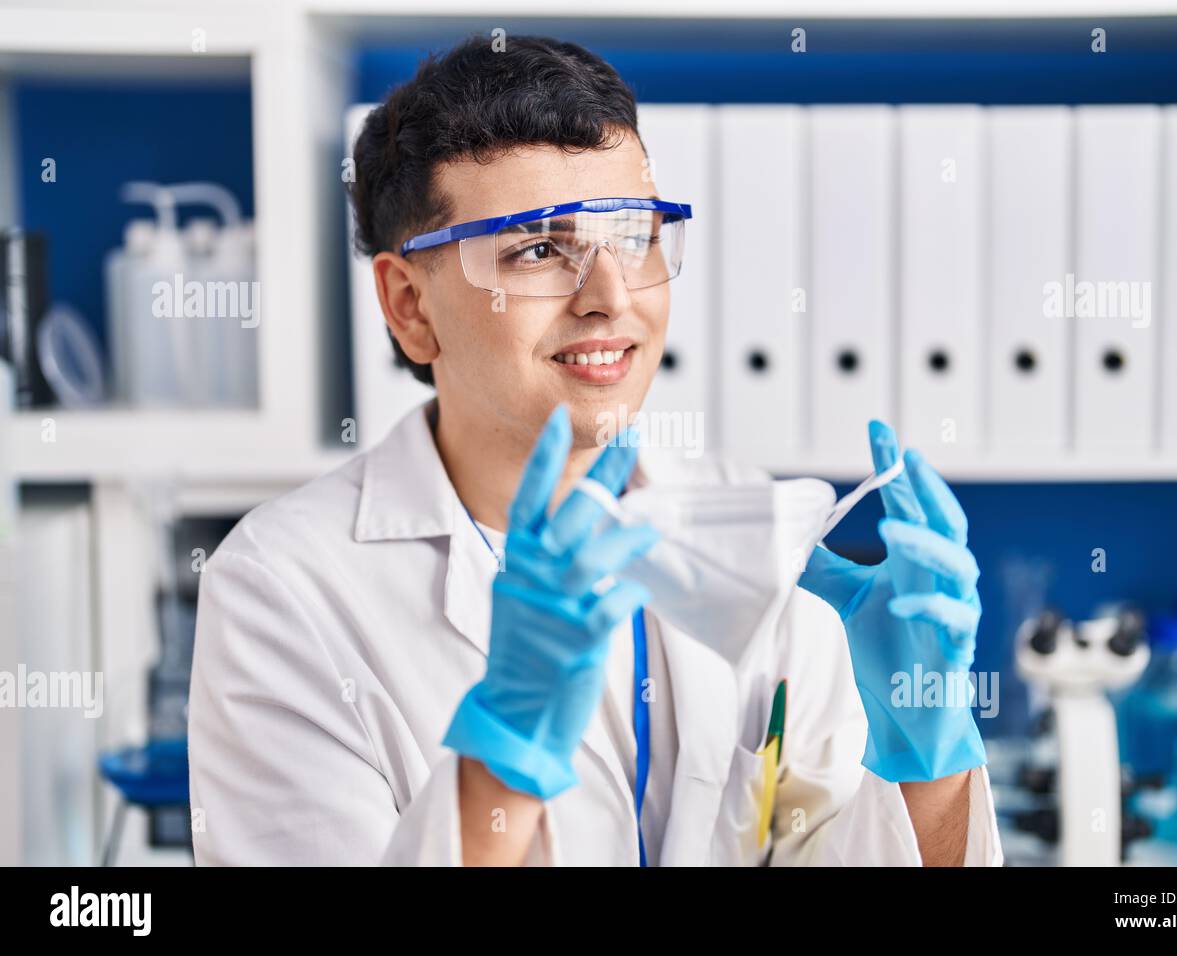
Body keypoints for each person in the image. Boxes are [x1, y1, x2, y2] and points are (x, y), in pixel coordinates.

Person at [187, 34, 1001, 866]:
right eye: (540, 249)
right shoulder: (283, 590)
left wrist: (926, 754)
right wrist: (501, 760)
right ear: (409, 304)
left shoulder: (749, 537)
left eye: (637, 236)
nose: (612, 299)